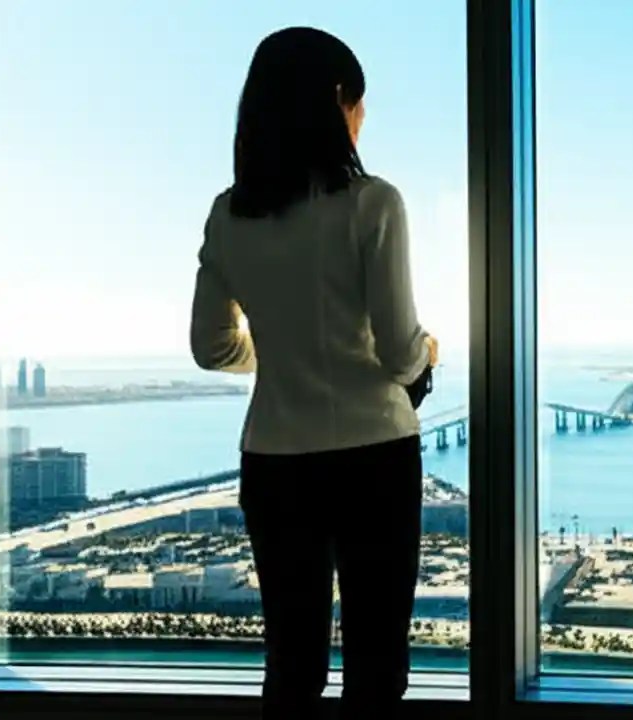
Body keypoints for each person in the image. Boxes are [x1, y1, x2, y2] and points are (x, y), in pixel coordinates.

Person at [190, 26, 437, 720]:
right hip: (375, 457)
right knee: (376, 665)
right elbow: (398, 351)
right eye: (359, 106)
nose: (362, 123)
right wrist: (428, 356)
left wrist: (279, 348)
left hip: (274, 459)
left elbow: (211, 347)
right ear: (337, 101)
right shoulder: (373, 203)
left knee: (292, 663)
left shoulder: (228, 215)